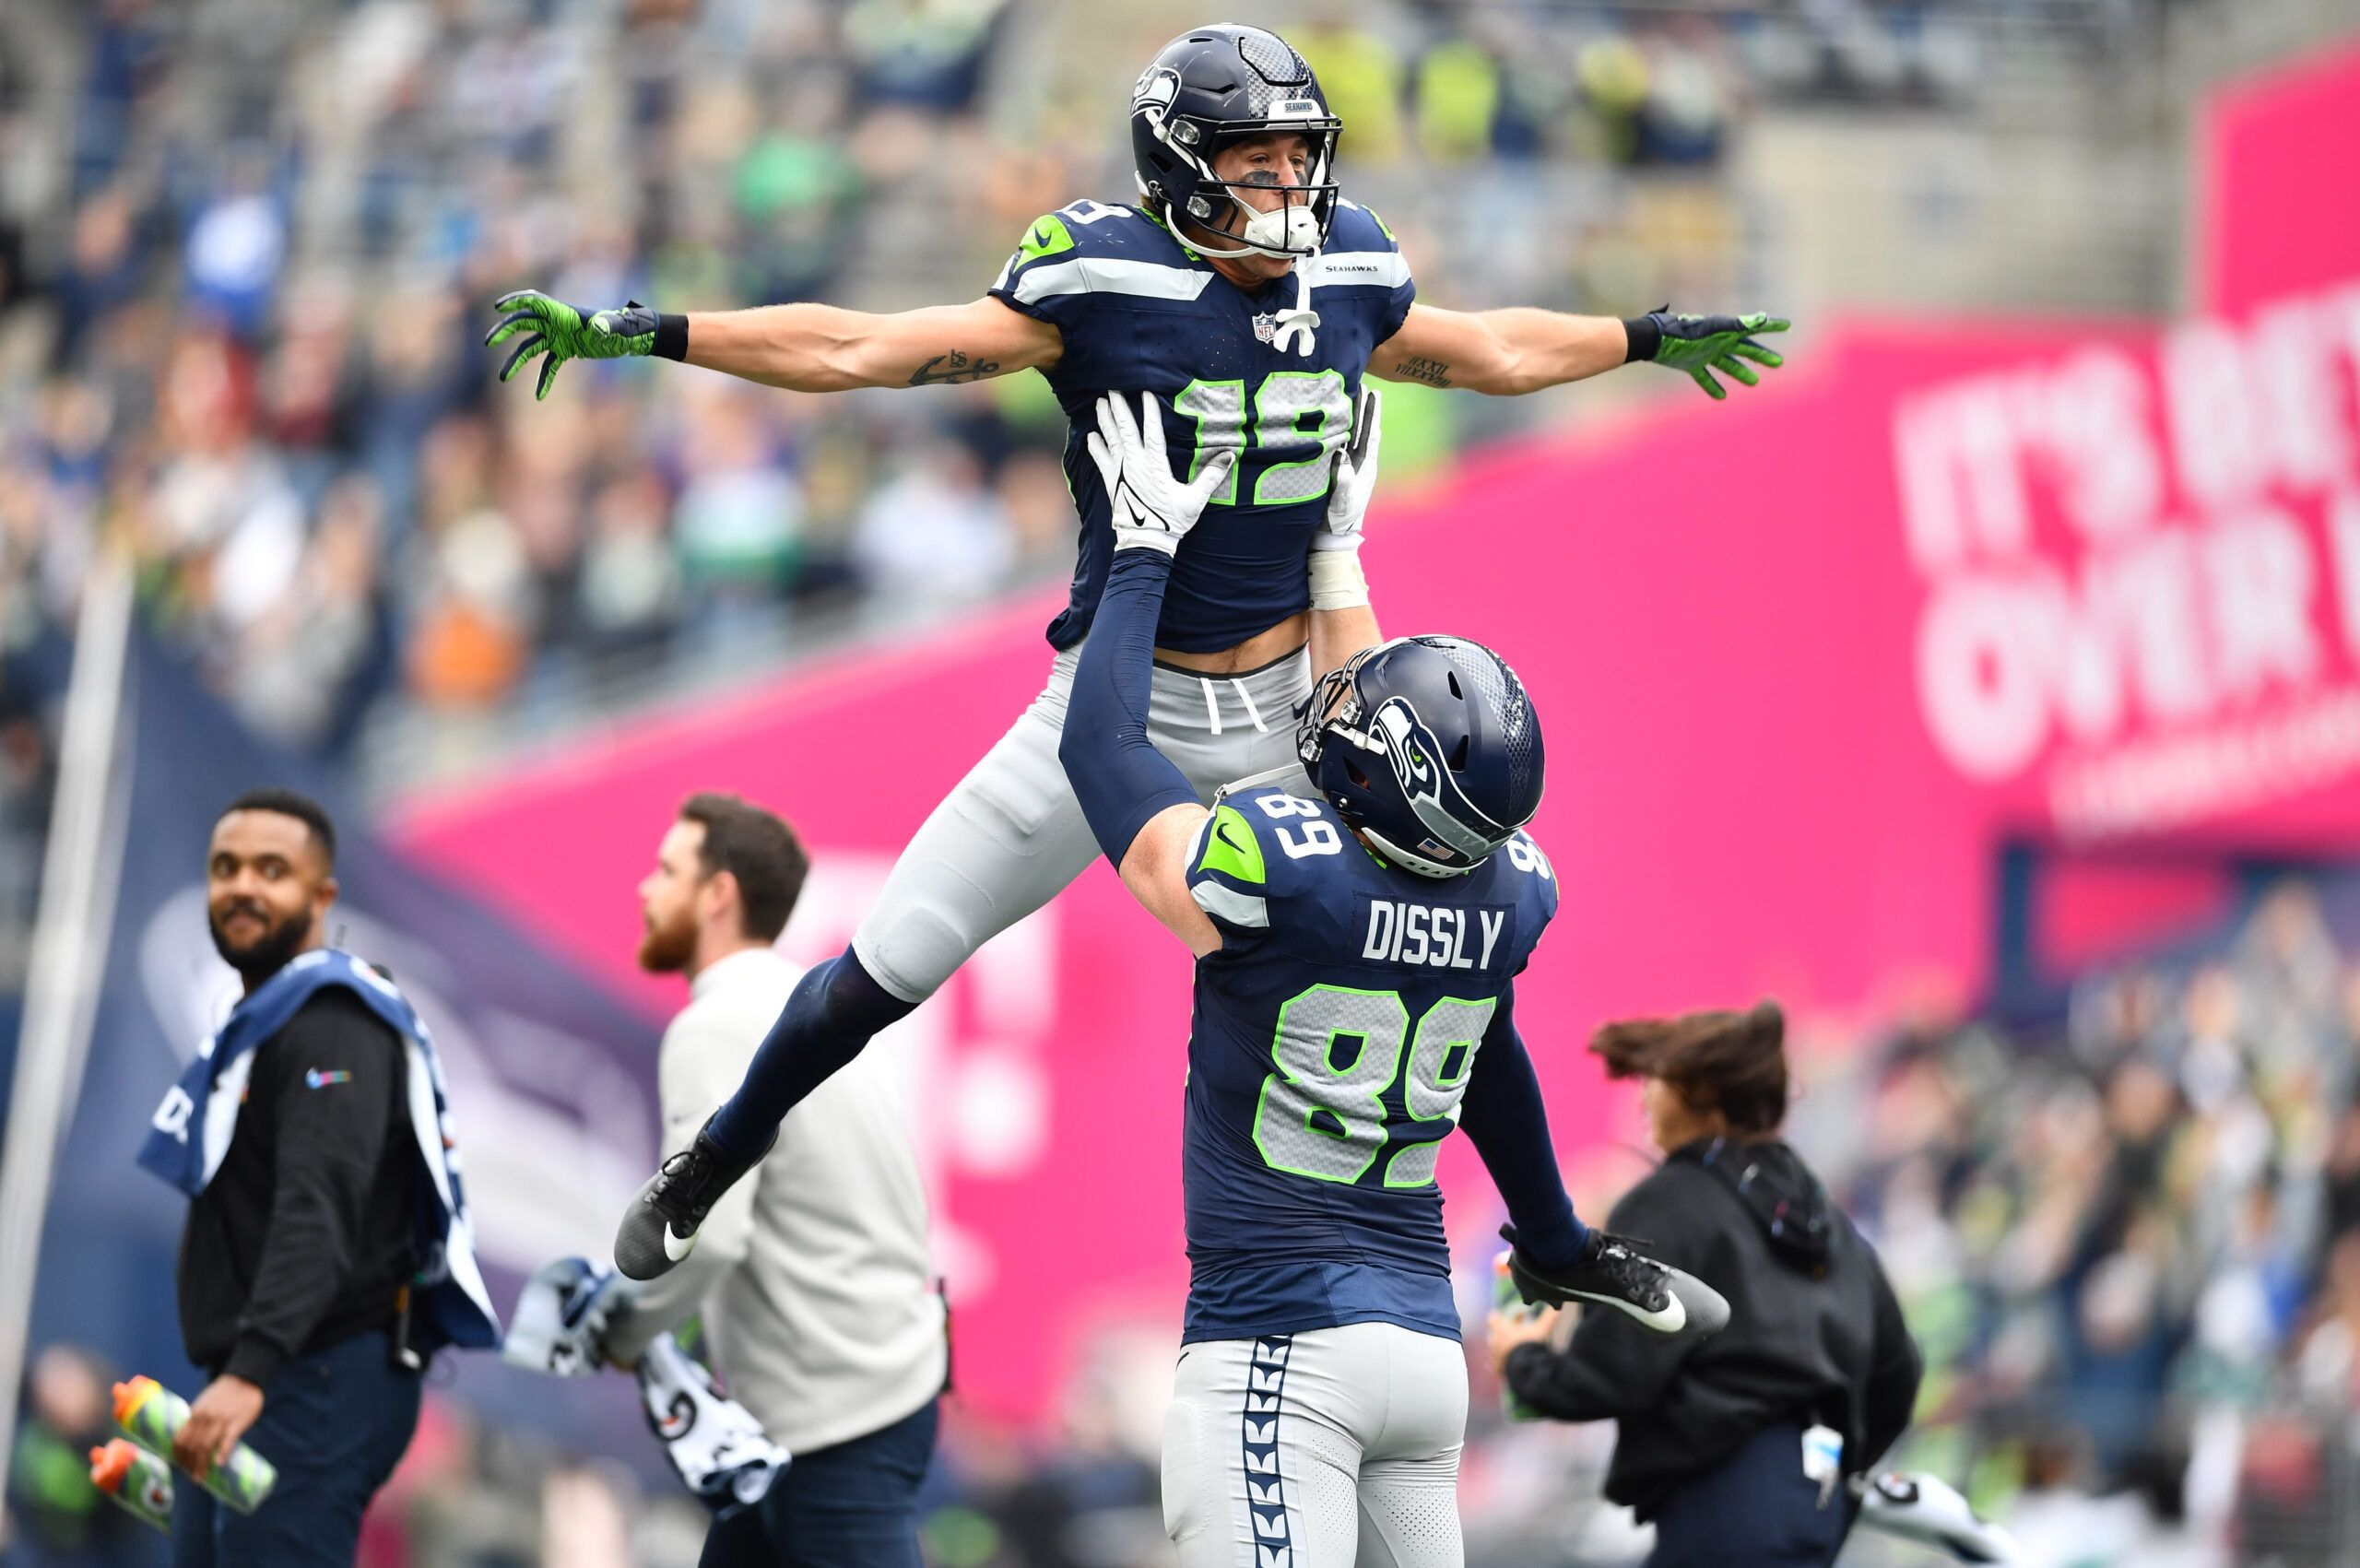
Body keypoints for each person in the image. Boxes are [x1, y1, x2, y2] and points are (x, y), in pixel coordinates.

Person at [481, 21, 1789, 1278]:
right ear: (1180, 167)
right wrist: (656, 333)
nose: (1290, 189)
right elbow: (862, 348)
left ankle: (1554, 1239)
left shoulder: (1349, 267)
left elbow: (1489, 348)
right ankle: (715, 1156)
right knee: (888, 965)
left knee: (1448, 947)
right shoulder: (1099, 277)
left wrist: (1646, 337)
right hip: (1116, 701)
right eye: (1256, 164)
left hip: (1301, 714)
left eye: (1299, 159)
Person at [1050, 389, 1729, 1565]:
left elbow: (1096, 746)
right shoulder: (1501, 891)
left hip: (1280, 1350)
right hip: (1417, 1358)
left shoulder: (1274, 872)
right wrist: (1338, 551)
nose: (1339, 723)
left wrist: (1142, 555)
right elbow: (1492, 1058)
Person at [136, 789, 500, 1567]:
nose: (243, 886)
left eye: (272, 869)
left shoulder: (330, 1016)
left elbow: (319, 1210)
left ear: (321, 895)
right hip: (268, 1372)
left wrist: (254, 1368)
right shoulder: (266, 1021)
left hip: (315, 1375)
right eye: (225, 868)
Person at [596, 793, 946, 1568]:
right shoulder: (801, 1003)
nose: (644, 890)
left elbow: (705, 1232)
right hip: (847, 1400)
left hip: (831, 1419)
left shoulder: (714, 1024)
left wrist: (623, 1329)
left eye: (666, 871)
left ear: (718, 893)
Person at [1483, 1003, 1923, 1568]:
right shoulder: (1829, 1222)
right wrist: (1835, 1475)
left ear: (1704, 1098)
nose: (1645, 1094)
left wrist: (1526, 1360)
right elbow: (1899, 1374)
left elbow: (1616, 1371)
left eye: (1658, 1079)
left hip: (1722, 1505)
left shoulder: (1671, 1200)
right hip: (1817, 1512)